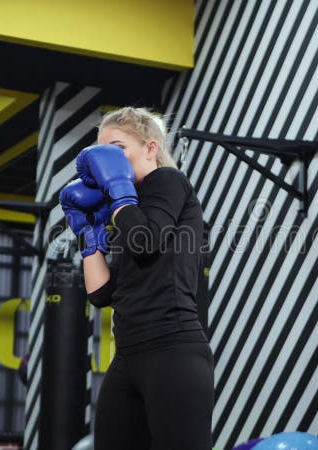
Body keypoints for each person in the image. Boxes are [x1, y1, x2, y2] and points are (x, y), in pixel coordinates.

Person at [59, 107, 214, 450]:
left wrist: (117, 191)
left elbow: (146, 242)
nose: (105, 162)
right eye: (101, 153)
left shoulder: (168, 181)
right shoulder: (129, 211)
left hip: (172, 350)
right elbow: (102, 294)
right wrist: (87, 234)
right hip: (128, 356)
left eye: (116, 149)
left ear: (150, 148)